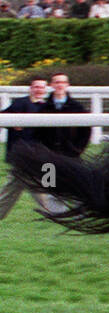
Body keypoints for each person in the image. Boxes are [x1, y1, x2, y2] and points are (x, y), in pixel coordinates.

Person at [0, 77, 53, 220]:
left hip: (39, 155)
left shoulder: (48, 107)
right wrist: (12, 123)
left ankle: (53, 212)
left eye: (42, 87)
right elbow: (3, 118)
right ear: (31, 88)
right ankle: (54, 212)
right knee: (41, 184)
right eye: (36, 87)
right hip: (21, 155)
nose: (39, 90)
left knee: (42, 183)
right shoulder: (19, 104)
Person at [36, 73, 91, 160]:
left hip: (71, 156)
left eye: (63, 82)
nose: (60, 85)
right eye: (57, 82)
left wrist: (77, 150)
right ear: (51, 85)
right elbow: (37, 133)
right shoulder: (43, 108)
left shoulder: (77, 108)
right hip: (48, 156)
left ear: (67, 85)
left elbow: (85, 131)